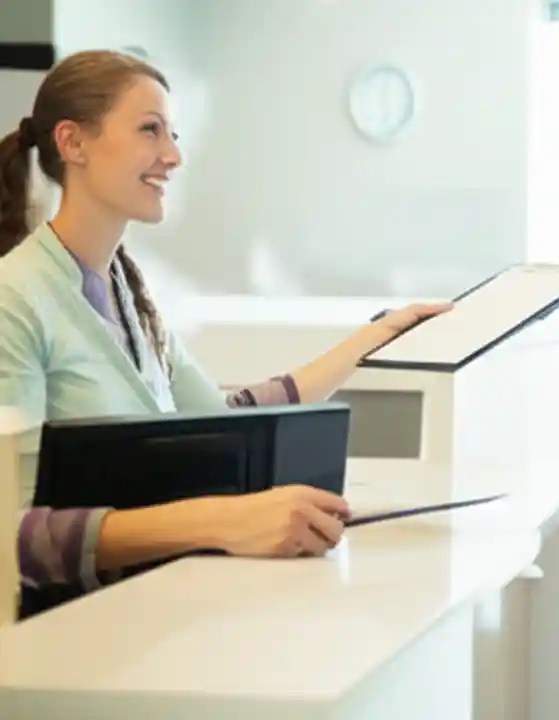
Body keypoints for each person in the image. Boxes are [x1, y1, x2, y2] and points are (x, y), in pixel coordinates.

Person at [0, 50, 451, 606]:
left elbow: (219, 421)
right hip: (64, 635)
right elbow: (10, 533)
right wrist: (219, 521)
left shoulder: (129, 296)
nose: (173, 155)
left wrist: (371, 340)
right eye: (150, 130)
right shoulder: (13, 299)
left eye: (173, 133)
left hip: (146, 609)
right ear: (73, 143)